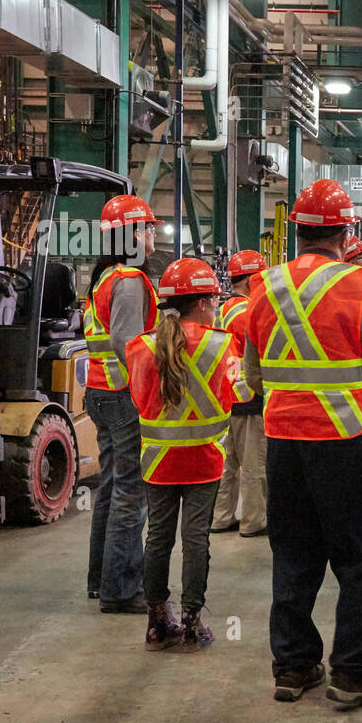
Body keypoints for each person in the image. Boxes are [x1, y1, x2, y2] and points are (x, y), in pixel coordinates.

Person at [242, 178, 362, 709]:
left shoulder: (263, 287)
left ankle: (293, 667)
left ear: (296, 232)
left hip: (283, 443)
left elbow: (252, 377)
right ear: (346, 232)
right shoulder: (359, 286)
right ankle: (353, 672)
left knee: (293, 553)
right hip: (344, 443)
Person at [126, 258, 252, 651]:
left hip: (158, 462)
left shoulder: (141, 347)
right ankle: (193, 623)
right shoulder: (222, 343)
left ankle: (157, 624)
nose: (217, 305)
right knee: (195, 539)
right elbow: (242, 393)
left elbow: (138, 399)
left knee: (158, 539)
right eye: (214, 299)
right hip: (204, 461)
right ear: (201, 304)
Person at [83, 193, 159, 613]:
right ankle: (122, 590)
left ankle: (101, 581)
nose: (153, 233)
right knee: (132, 493)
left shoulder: (105, 276)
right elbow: (128, 344)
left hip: (101, 393)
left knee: (112, 489)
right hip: (123, 397)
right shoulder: (129, 280)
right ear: (133, 234)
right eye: (148, 227)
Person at [211, 250, 268, 538]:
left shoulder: (220, 307)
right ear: (251, 280)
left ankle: (220, 518)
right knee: (254, 465)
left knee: (227, 464)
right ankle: (253, 521)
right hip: (248, 398)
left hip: (223, 398)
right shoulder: (246, 311)